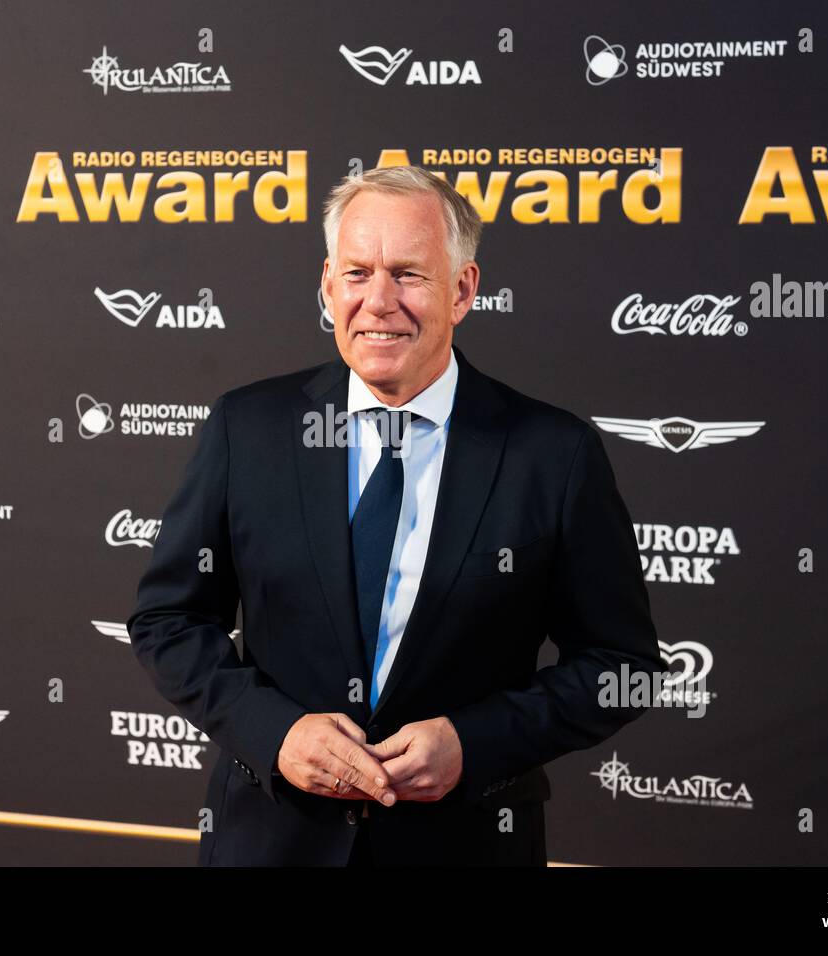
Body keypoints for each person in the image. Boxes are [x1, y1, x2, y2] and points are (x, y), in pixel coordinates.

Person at [127, 164, 666, 866]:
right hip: (272, 844)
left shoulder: (551, 454)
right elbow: (168, 620)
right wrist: (276, 733)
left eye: (409, 274)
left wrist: (476, 742)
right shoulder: (248, 429)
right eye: (357, 273)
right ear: (327, 285)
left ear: (464, 289)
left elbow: (620, 666)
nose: (378, 302)